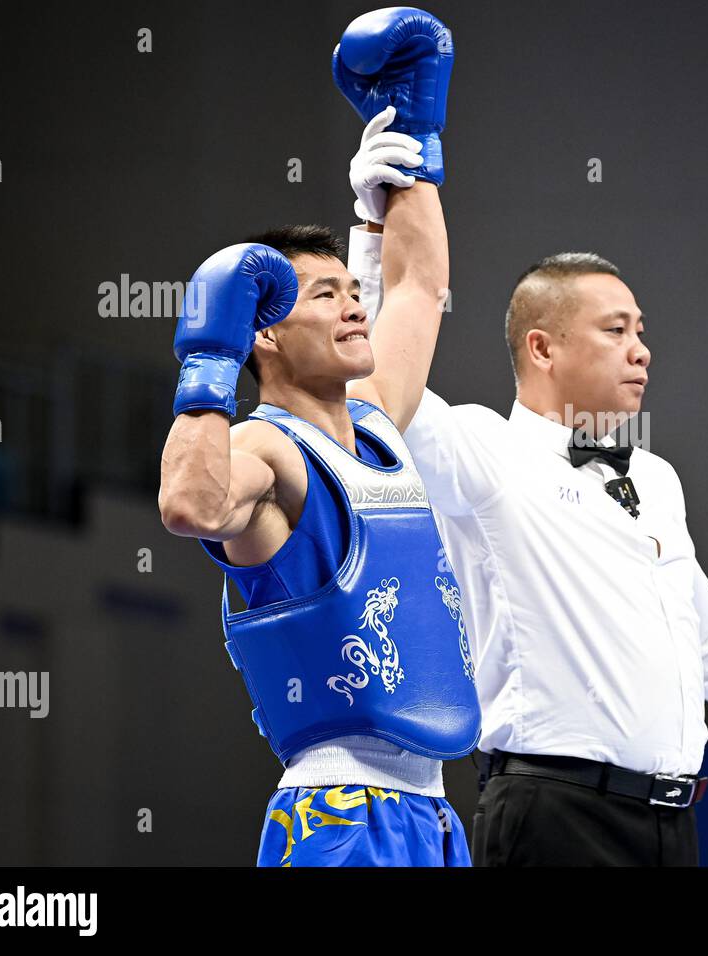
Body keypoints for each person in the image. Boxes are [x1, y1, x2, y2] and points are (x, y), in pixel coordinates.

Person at [349, 239, 708, 863]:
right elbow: (375, 379)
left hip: (672, 826)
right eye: (615, 330)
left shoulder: (657, 478)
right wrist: (375, 234)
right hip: (553, 817)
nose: (641, 350)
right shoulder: (485, 450)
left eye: (640, 331)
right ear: (542, 347)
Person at [157, 9, 479, 866]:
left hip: (436, 816)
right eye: (323, 295)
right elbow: (189, 503)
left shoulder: (379, 419)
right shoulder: (270, 450)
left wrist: (411, 138)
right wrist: (206, 362)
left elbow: (418, 284)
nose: (351, 303)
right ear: (262, 333)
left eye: (349, 288)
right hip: (337, 811)